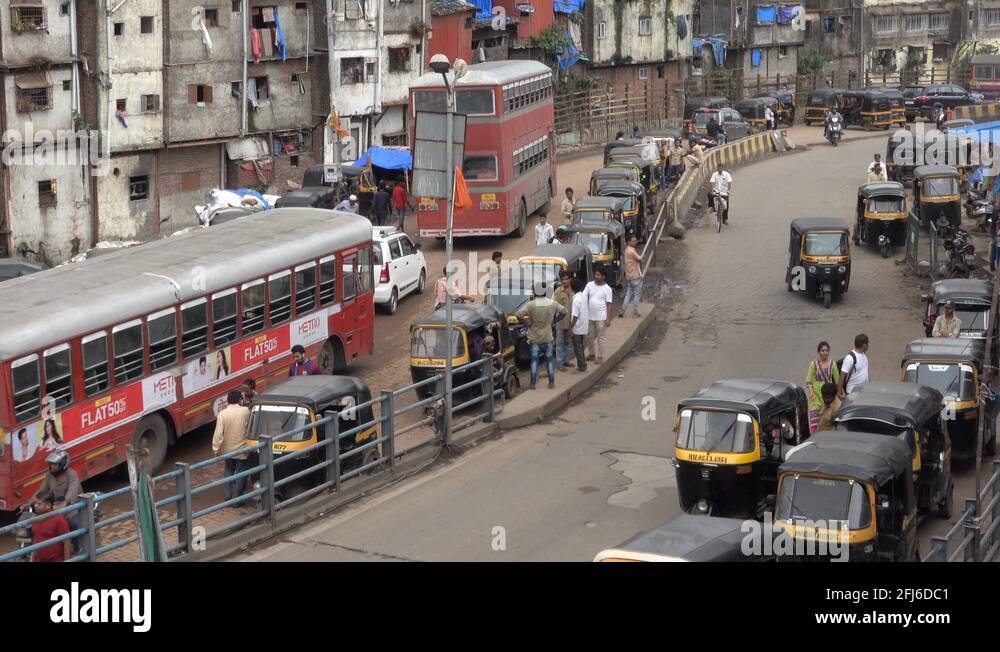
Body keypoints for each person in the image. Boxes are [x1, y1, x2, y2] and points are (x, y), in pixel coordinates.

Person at [31, 451, 82, 548]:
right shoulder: (49, 476)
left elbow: (71, 493)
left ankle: (76, 549)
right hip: (54, 506)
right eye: (50, 464)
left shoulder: (72, 475)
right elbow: (41, 491)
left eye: (55, 464)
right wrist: (30, 502)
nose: (51, 466)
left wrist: (65, 503)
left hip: (72, 505)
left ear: (63, 464)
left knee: (73, 524)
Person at [516, 285, 564, 390]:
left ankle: (532, 384)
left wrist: (526, 323)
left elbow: (519, 314)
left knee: (534, 361)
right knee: (549, 360)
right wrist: (554, 321)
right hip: (548, 338)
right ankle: (551, 382)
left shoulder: (531, 304)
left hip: (534, 338)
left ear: (535, 292)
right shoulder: (552, 303)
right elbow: (564, 312)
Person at [212, 390, 251, 502]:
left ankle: (228, 495)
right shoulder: (246, 411)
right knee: (241, 472)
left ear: (227, 401)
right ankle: (238, 498)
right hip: (242, 450)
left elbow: (218, 434)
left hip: (227, 450)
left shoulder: (222, 414)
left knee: (228, 470)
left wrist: (216, 449)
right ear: (240, 400)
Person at [806, 341, 841, 435]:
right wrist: (811, 393)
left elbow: (837, 382)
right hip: (816, 396)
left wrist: (839, 394)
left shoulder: (833, 364)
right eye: (822, 351)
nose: (825, 352)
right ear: (819, 352)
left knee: (828, 420)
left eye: (827, 350)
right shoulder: (813, 364)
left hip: (828, 395)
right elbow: (808, 381)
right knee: (814, 421)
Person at [29, 490, 71, 563]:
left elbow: (67, 542)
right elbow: (35, 541)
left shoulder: (59, 519)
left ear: (48, 505)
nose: (35, 505)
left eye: (39, 504)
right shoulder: (35, 519)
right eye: (35, 503)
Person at [583, 268, 614, 363]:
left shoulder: (607, 289)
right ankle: (592, 354)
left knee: (601, 337)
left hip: (601, 317)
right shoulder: (589, 285)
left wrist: (608, 318)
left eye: (598, 275)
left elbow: (609, 304)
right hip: (590, 316)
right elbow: (584, 297)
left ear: (603, 277)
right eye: (595, 275)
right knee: (589, 336)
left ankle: (600, 357)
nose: (596, 277)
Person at [837, 333, 870, 399]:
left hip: (863, 390)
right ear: (864, 345)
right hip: (852, 393)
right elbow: (842, 376)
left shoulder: (863, 354)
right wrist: (839, 392)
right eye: (867, 344)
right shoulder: (850, 358)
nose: (868, 345)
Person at [553, 272, 575, 369]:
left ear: (570, 279)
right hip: (560, 323)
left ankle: (566, 361)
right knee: (559, 343)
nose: (564, 281)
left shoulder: (574, 291)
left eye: (566, 279)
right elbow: (553, 306)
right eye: (562, 279)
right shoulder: (558, 292)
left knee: (567, 342)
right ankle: (559, 363)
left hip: (571, 323)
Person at [620, 236, 644, 318]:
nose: (635, 242)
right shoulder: (632, 251)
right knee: (637, 294)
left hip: (629, 276)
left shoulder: (626, 250)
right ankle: (635, 312)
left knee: (629, 294)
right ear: (628, 242)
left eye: (635, 241)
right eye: (633, 241)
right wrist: (642, 258)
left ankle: (623, 310)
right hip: (635, 276)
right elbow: (640, 259)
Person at [569, 278, 590, 373]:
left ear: (572, 288)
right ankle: (583, 364)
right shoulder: (583, 296)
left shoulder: (576, 300)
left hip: (577, 327)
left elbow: (575, 316)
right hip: (584, 325)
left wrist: (571, 328)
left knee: (578, 347)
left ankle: (582, 366)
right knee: (581, 346)